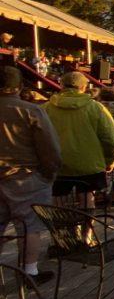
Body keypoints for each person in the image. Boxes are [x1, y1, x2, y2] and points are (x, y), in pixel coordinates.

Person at [0, 66, 61, 282]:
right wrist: (48, 174)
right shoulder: (31, 111)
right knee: (29, 226)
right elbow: (49, 148)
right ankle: (30, 271)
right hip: (26, 177)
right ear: (18, 86)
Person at [44, 71, 114, 200]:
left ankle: (60, 219)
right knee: (87, 197)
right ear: (83, 87)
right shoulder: (96, 108)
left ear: (61, 85)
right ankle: (87, 219)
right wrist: (110, 160)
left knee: (58, 199)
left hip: (57, 164)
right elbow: (109, 138)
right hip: (90, 165)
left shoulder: (46, 108)